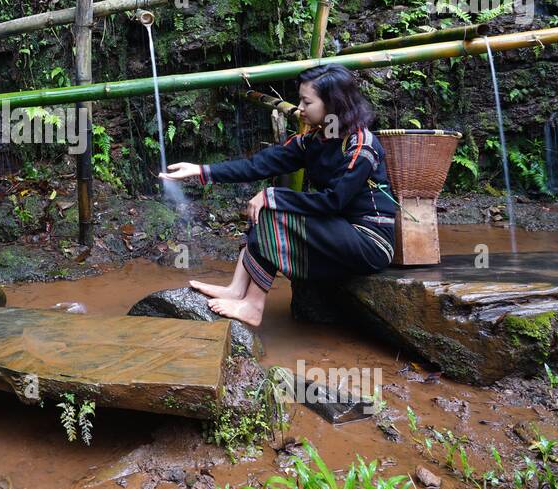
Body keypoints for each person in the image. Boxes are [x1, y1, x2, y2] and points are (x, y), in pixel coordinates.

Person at [159, 64, 396, 327]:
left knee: (272, 209)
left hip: (369, 241)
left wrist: (273, 196)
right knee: (267, 209)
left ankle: (253, 305)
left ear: (333, 104)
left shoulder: (361, 146)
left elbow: (333, 201)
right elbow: (257, 165)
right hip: (337, 231)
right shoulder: (315, 140)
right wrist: (201, 170)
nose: (300, 108)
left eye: (307, 101)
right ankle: (237, 289)